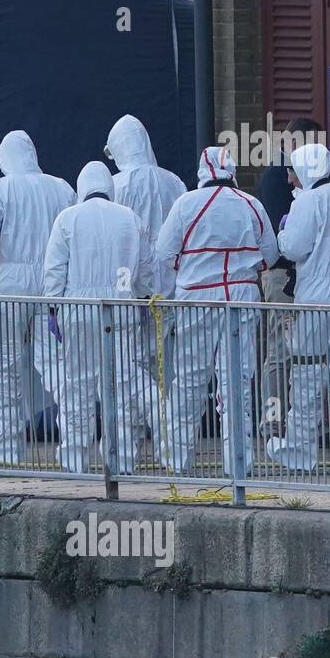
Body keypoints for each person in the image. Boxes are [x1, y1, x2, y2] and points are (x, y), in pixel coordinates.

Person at [155, 146, 278, 476]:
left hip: (197, 297)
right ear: (232, 170)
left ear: (202, 172)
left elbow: (164, 253)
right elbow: (271, 254)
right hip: (241, 297)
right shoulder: (251, 204)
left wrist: (191, 267)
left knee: (189, 382)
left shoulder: (185, 204)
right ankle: (238, 462)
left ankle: (177, 459)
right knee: (237, 381)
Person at [0, 130, 75, 462]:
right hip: (50, 282)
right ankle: (75, 443)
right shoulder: (63, 189)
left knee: (4, 366)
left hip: (10, 282)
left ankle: (6, 449)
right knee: (57, 365)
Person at [42, 160, 154, 474]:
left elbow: (54, 271)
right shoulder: (129, 217)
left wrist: (53, 307)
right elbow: (145, 269)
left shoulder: (67, 218)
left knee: (77, 387)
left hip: (78, 310)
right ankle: (121, 460)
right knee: (120, 387)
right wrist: (144, 296)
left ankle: (75, 459)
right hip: (121, 309)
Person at [265, 142, 330, 472]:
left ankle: (300, 451)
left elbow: (293, 248)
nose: (290, 180)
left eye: (292, 172)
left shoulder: (308, 201)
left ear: (304, 171)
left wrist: (282, 231)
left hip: (318, 297)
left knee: (307, 372)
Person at [106, 114, 186, 427]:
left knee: (128, 364)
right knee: (163, 363)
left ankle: (138, 432)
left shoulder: (114, 185)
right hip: (169, 284)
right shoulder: (173, 182)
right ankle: (168, 432)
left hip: (127, 284)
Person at [257, 117, 322, 436]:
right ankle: (273, 420)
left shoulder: (306, 180)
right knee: (281, 352)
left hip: (303, 275)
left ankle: (305, 421)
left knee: (307, 352)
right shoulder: (278, 177)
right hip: (283, 275)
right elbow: (283, 235)